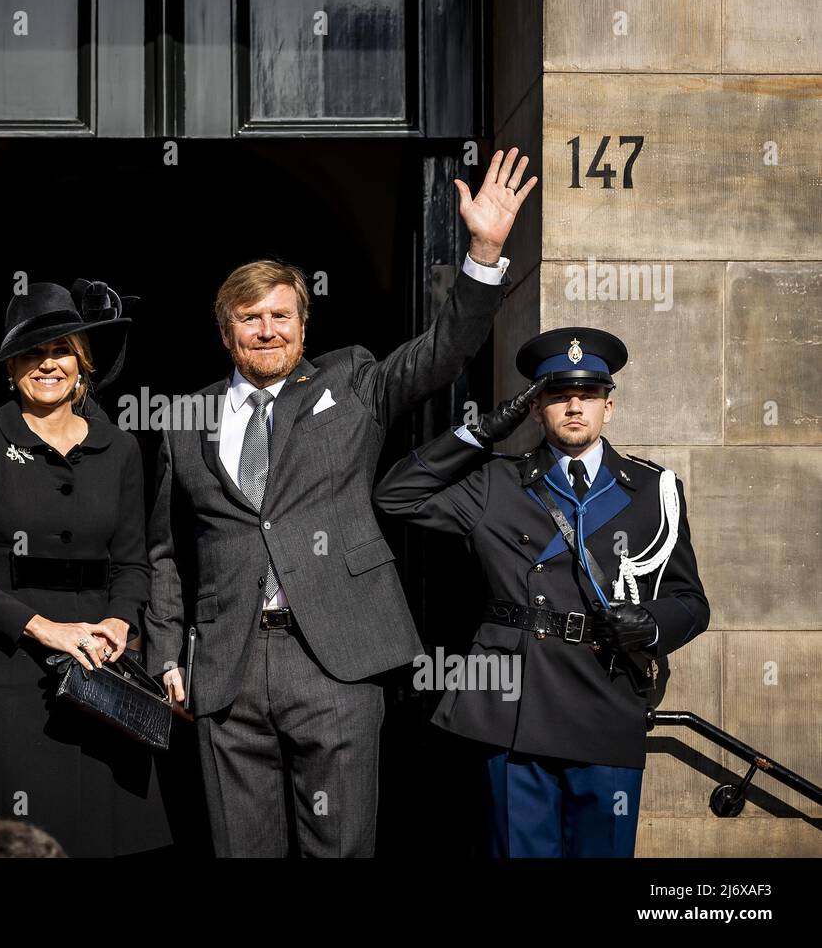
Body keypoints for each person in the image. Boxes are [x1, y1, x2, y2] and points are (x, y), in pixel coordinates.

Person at [144, 148, 538, 856]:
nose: (267, 330)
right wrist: (169, 653)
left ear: (304, 324)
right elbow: (169, 550)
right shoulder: (184, 419)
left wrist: (483, 252)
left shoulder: (352, 381)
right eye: (250, 318)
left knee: (343, 848)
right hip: (227, 669)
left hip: (337, 660)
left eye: (281, 315)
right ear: (225, 328)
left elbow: (442, 352)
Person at [374, 327, 709, 857]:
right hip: (516, 708)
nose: (574, 406)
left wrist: (651, 624)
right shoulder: (496, 483)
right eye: (557, 395)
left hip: (605, 699)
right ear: (535, 409)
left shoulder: (653, 490)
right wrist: (482, 431)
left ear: (609, 407)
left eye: (589, 395)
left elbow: (692, 603)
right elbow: (395, 495)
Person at [0, 280, 171, 857]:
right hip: (2, 667)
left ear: (82, 364)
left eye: (60, 349)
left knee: (95, 837)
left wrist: (118, 621)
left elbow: (134, 562)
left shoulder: (121, 450)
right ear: (11, 369)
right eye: (31, 354)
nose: (47, 364)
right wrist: (43, 628)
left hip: (98, 669)